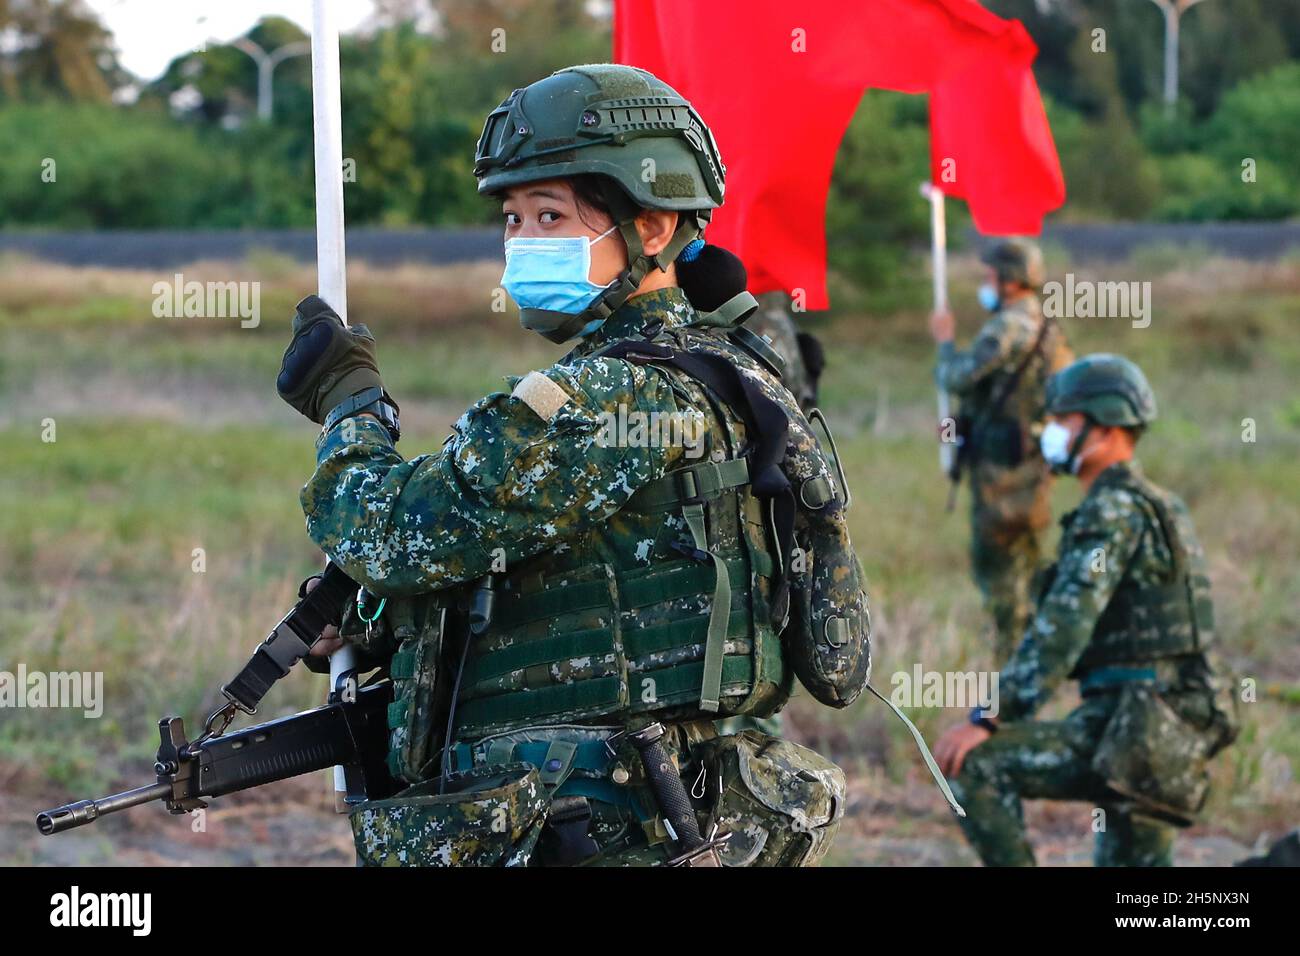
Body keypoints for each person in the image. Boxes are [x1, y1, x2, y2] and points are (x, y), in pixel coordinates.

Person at [276, 64, 871, 867]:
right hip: (679, 811)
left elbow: (393, 534)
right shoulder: (733, 369)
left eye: (550, 215)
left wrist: (351, 413)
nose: (521, 244)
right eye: (512, 220)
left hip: (598, 821)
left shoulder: (614, 397)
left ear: (653, 227)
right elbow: (582, 572)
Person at [932, 354, 1238, 866]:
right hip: (1157, 724)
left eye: (1063, 420)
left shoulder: (1112, 511)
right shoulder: (1158, 503)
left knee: (977, 766)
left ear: (1107, 427)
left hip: (1138, 728)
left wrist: (992, 715)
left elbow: (1063, 627)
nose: (1048, 431)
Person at [930, 238, 1072, 665]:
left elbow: (957, 378)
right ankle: (1032, 650)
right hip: (1035, 464)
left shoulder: (1007, 326)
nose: (986, 283)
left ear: (1010, 281)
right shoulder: (1050, 329)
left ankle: (1011, 663)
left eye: (991, 276)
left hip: (1001, 472)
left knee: (999, 568)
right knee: (1028, 559)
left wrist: (945, 343)